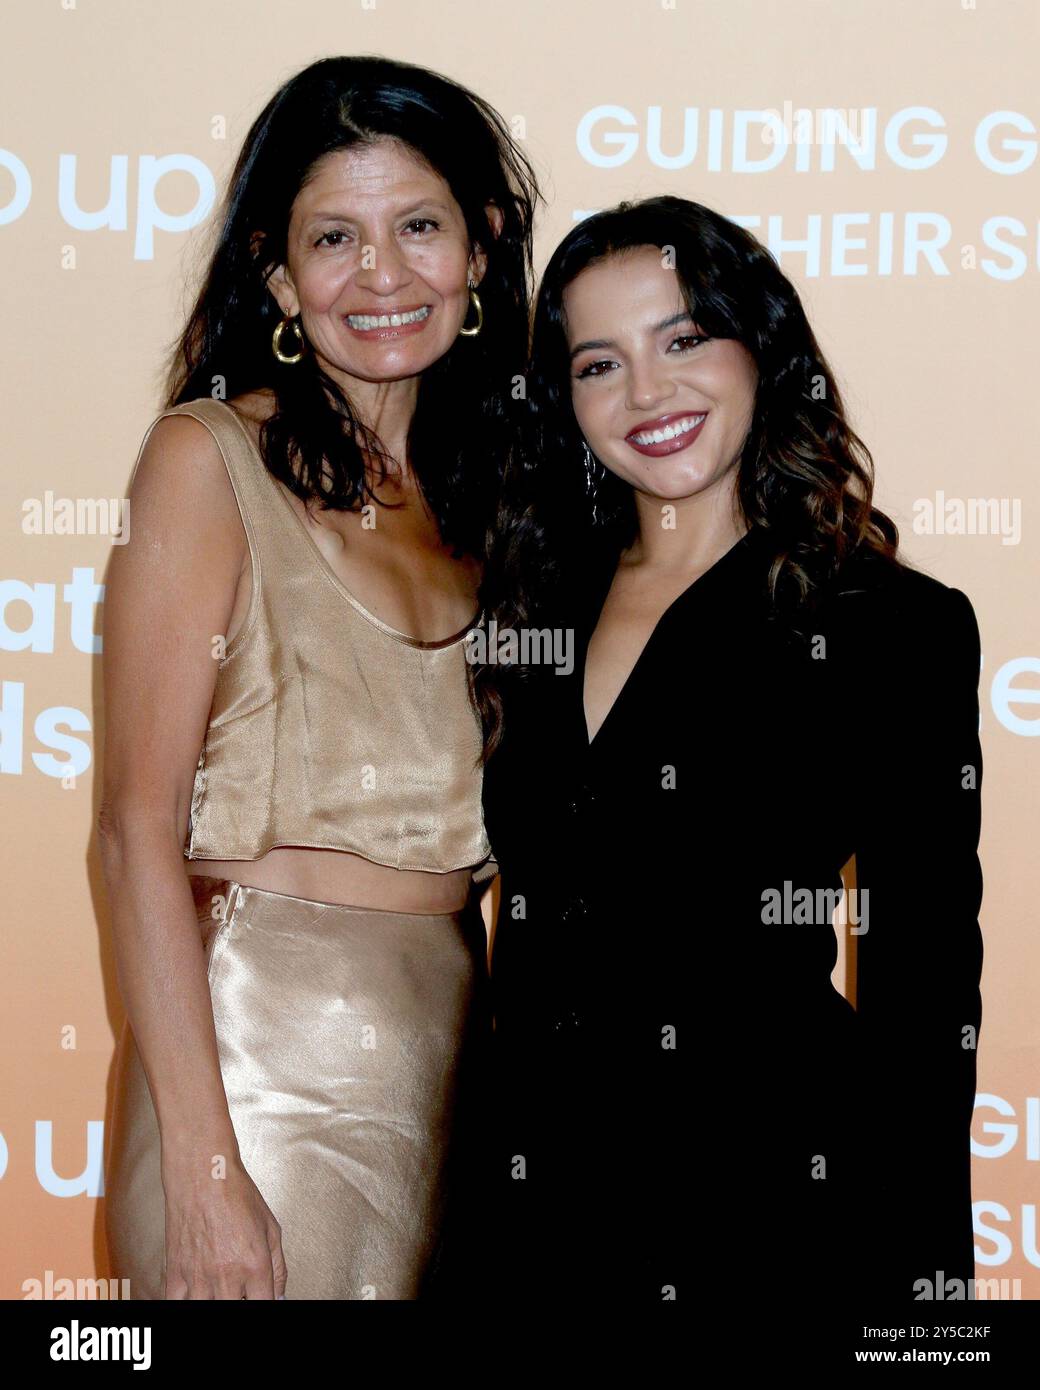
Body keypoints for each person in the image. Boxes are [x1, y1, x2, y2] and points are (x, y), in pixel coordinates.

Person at [473, 196, 984, 1302]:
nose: (646, 394)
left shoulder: (885, 624)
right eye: (597, 363)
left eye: (682, 340)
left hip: (774, 1220)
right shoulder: (528, 600)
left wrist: (930, 1310)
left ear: (760, 348)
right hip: (536, 1221)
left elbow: (923, 987)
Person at [99, 55, 538, 1300]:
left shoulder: (495, 503)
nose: (383, 275)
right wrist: (204, 1169)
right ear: (279, 276)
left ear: (481, 246)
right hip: (258, 1065)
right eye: (334, 239)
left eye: (418, 226)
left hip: (448, 1072)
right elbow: (134, 831)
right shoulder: (206, 460)